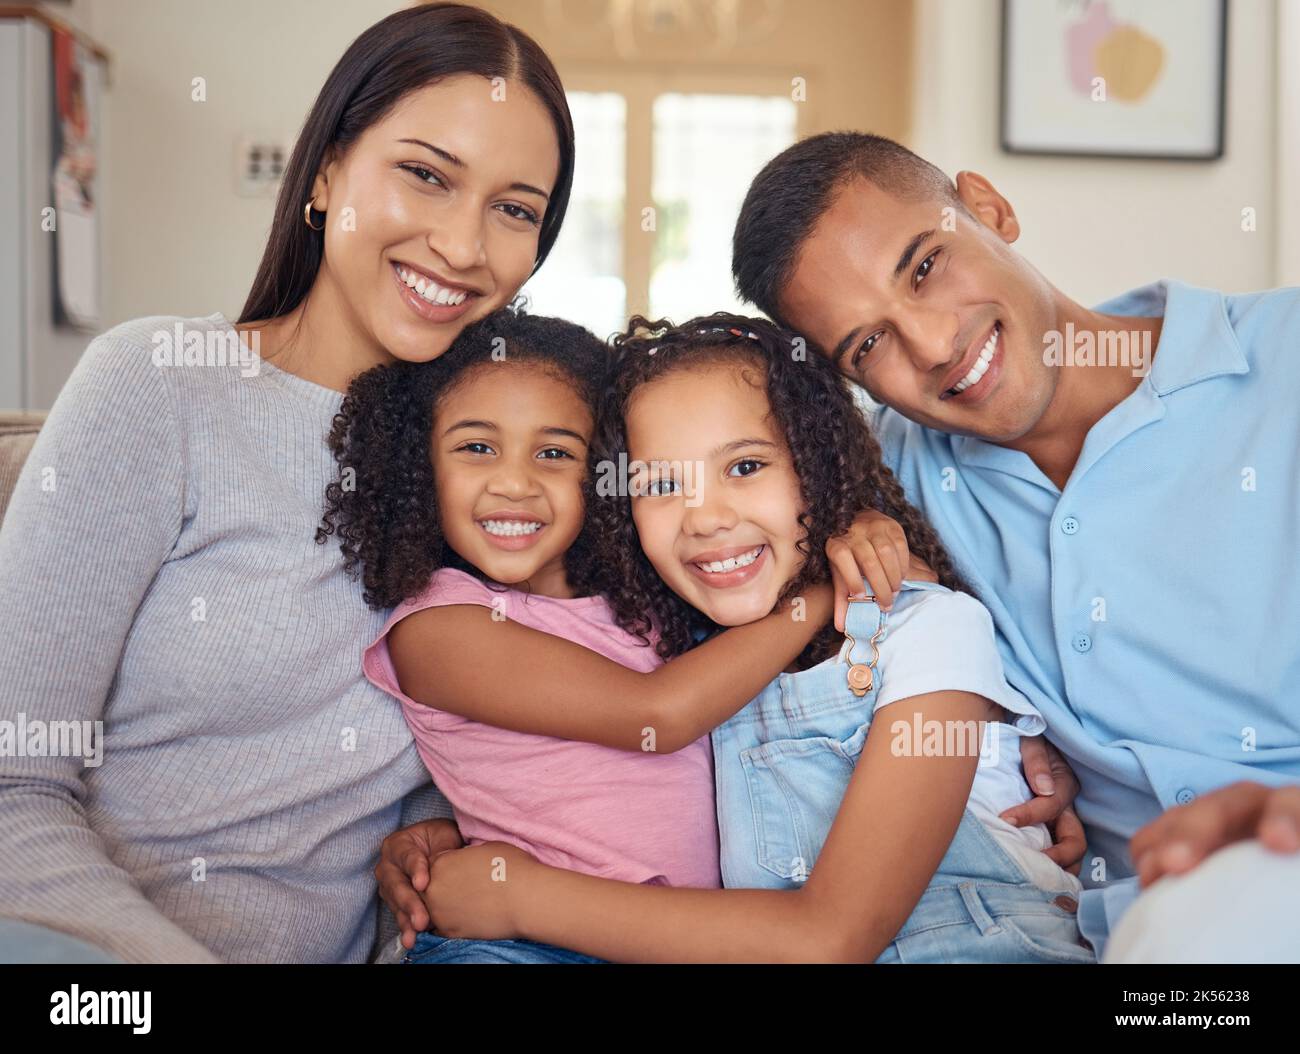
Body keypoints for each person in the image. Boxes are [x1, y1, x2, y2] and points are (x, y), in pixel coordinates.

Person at [0, 2, 573, 963]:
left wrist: (433, 832)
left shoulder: (498, 471)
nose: (464, 245)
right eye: (427, 175)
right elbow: (14, 785)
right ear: (325, 172)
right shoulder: (160, 385)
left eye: (514, 209)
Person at [726, 131, 1300, 962]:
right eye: (869, 345)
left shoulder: (1283, 358)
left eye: (925, 266)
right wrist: (995, 715)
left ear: (988, 208)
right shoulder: (881, 484)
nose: (933, 346)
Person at [408, 315, 1094, 963]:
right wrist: (448, 833)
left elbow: (829, 940)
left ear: (818, 467)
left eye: (744, 467)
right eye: (661, 484)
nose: (705, 517)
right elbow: (613, 752)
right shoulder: (701, 650)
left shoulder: (927, 628)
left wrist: (524, 897)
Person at [318, 307, 842, 963]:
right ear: (418, 469)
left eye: (555, 452)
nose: (515, 482)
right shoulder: (438, 625)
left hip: (679, 937)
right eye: (476, 448)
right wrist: (822, 590)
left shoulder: (649, 600)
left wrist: (853, 528)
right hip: (518, 946)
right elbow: (657, 714)